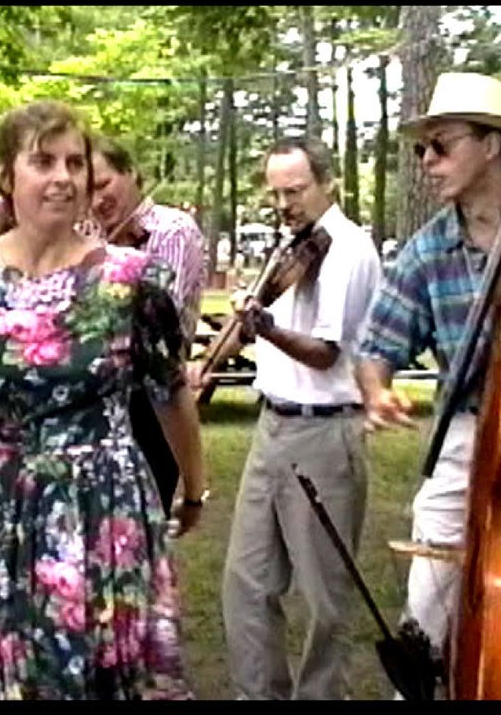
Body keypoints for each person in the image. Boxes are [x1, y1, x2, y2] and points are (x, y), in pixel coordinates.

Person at [0, 100, 208, 700]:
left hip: (105, 508)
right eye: (43, 161)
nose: (63, 177)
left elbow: (170, 391)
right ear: (6, 175)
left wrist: (192, 487)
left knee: (99, 676)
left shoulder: (132, 280)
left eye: (75, 163)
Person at [196, 136, 382, 699]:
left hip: (325, 431)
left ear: (328, 183)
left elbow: (326, 352)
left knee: (327, 598)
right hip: (272, 426)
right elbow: (257, 326)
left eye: (295, 191)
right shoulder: (289, 245)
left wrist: (266, 327)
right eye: (276, 194)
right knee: (246, 583)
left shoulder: (348, 250)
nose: (284, 204)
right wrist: (207, 362)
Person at [354, 72, 501, 688]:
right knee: (429, 589)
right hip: (472, 429)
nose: (427, 160)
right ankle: (424, 674)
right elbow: (376, 347)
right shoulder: (427, 251)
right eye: (423, 149)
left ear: (492, 146)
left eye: (442, 145)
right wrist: (377, 391)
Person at [89, 135, 205, 515]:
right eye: (87, 191)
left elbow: (156, 316)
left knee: (140, 525)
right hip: (101, 400)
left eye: (104, 184)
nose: (97, 200)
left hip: (151, 400)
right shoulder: (91, 238)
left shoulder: (171, 229)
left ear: (132, 172)